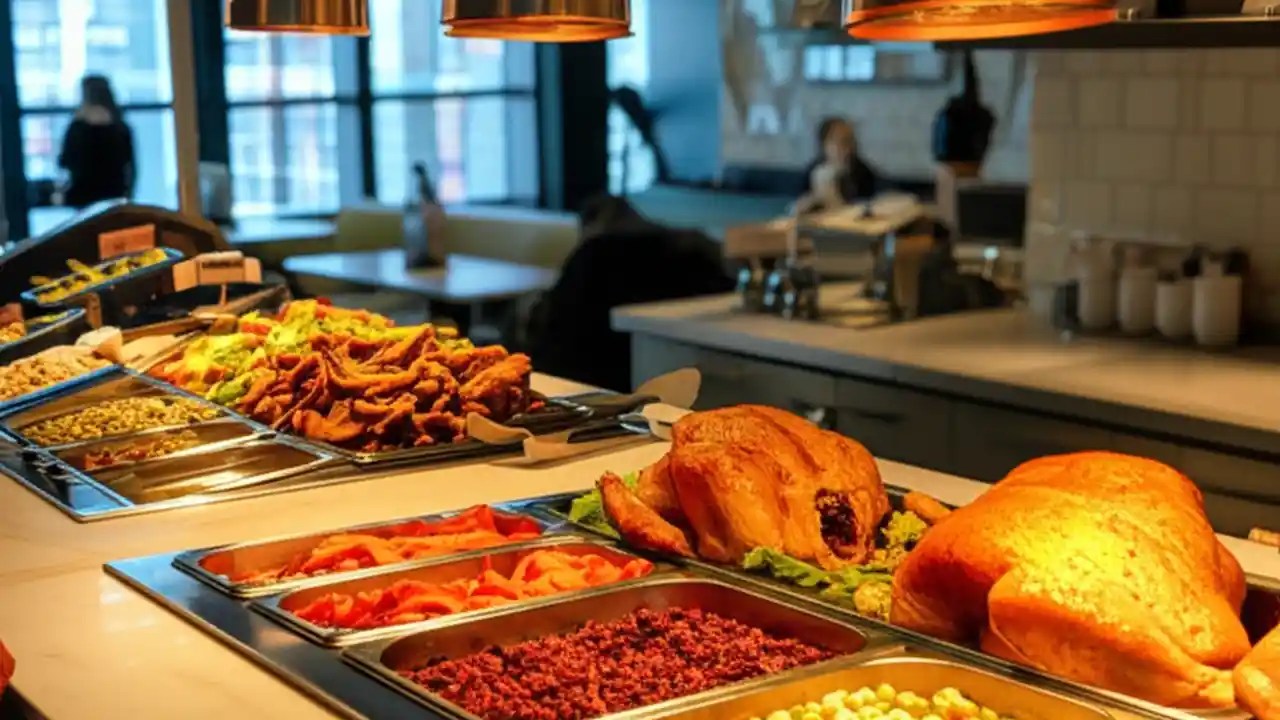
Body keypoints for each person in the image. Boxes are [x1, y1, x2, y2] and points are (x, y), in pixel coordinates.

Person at [528, 196, 734, 391]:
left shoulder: (593, 257)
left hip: (579, 383)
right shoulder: (692, 248)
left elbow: (554, 345)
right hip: (666, 374)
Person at [57, 75, 135, 208]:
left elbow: (65, 161)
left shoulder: (77, 128)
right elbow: (130, 165)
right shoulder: (120, 128)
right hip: (115, 194)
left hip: (83, 195)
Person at [803, 117, 880, 209]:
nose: (850, 147)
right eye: (843, 141)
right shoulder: (811, 173)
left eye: (852, 141)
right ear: (825, 144)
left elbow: (876, 196)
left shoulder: (860, 169)